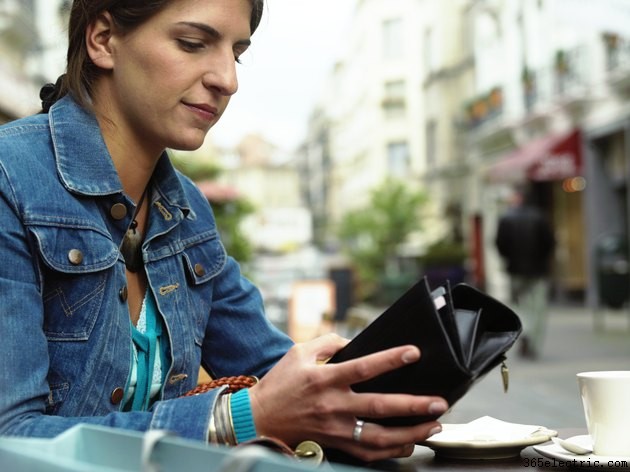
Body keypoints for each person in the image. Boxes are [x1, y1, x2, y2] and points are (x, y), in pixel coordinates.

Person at [0, 0, 448, 463]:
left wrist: (399, 385)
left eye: (236, 54)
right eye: (193, 44)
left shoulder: (186, 209)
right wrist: (235, 419)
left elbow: (276, 371)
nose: (227, 80)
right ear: (103, 40)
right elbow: (10, 439)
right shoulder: (10, 180)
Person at [495, 187, 556, 360]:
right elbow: (549, 243)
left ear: (519, 198)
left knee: (518, 305)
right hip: (538, 271)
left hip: (515, 270)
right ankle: (534, 341)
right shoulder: (540, 217)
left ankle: (525, 331)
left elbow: (500, 244)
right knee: (538, 308)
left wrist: (509, 259)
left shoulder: (506, 219)